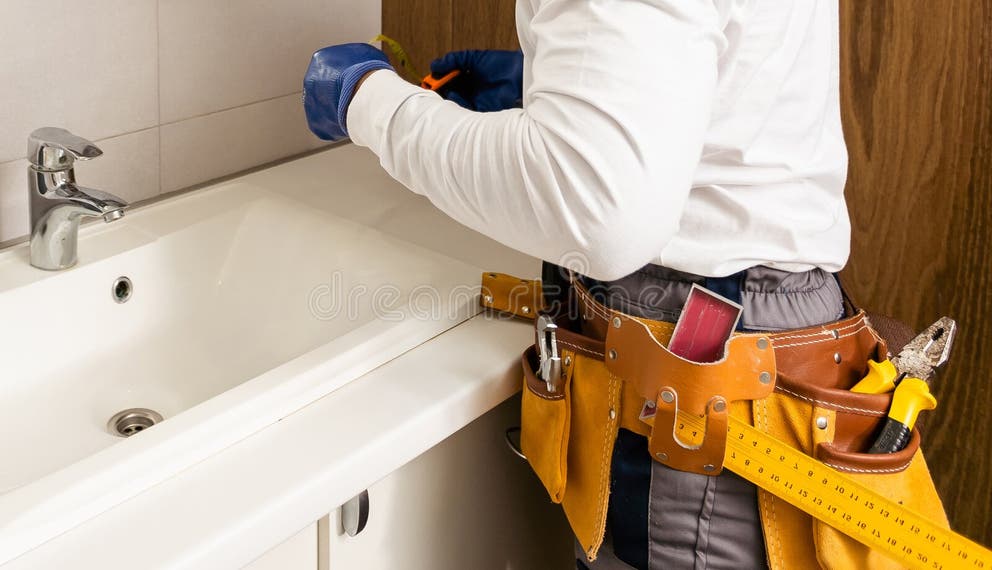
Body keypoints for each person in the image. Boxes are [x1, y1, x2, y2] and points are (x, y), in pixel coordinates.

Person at [303, 2, 851, 568]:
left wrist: (366, 101)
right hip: (741, 331)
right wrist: (572, 87)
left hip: (700, 359)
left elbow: (597, 212)